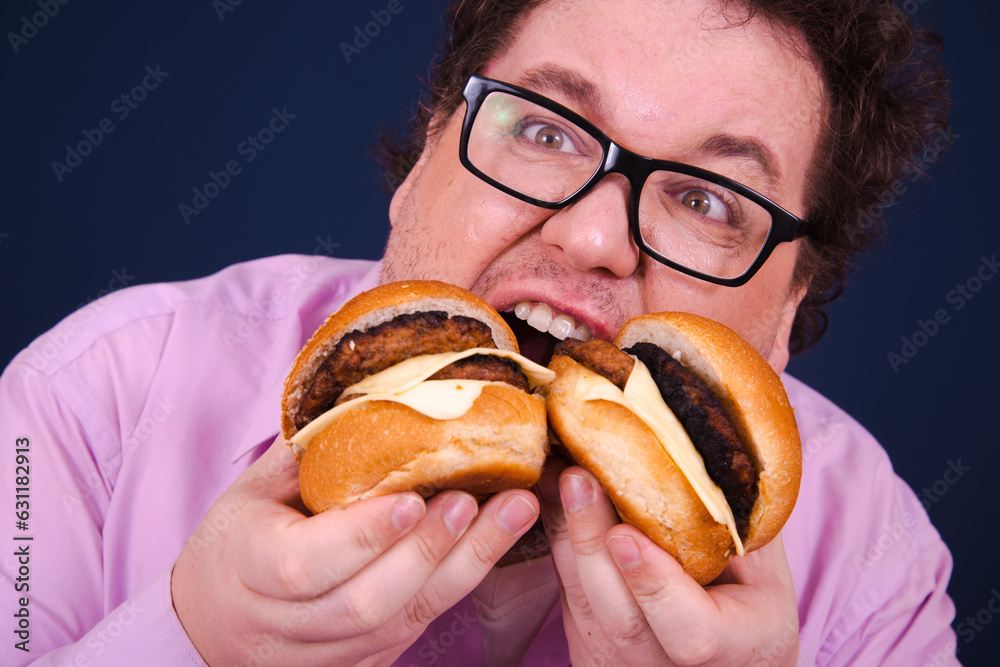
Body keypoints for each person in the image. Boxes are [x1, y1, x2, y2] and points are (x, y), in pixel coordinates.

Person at [0, 0, 957, 665]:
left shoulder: (871, 556)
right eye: (545, 130)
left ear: (786, 313)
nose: (593, 237)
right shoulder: (93, 403)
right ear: (424, 161)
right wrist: (191, 640)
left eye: (707, 199)